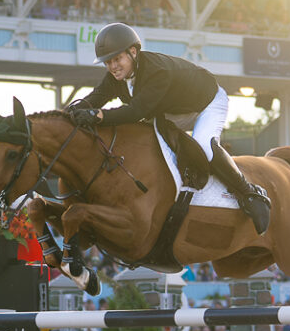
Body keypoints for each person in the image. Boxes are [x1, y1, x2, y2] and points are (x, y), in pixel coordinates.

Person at [66, 22, 270, 233]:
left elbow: (136, 112)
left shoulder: (157, 71)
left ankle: (250, 194)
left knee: (203, 146)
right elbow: (96, 97)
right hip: (172, 111)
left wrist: (98, 116)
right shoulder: (115, 77)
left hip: (207, 104)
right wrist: (68, 113)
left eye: (117, 59)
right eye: (108, 62)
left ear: (133, 52)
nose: (113, 66)